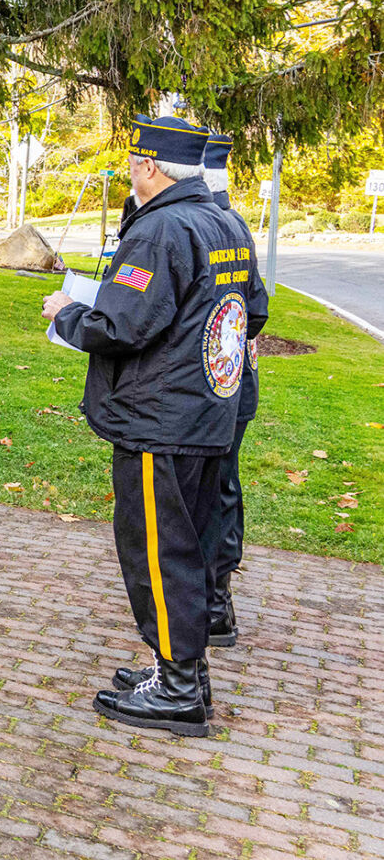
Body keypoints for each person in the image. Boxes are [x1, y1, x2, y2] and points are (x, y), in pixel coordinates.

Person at [43, 116, 260, 738]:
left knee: (158, 556)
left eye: (135, 163)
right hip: (206, 412)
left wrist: (67, 314)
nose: (132, 172)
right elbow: (254, 310)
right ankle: (182, 671)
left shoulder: (162, 228)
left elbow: (120, 325)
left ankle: (179, 687)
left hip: (159, 417)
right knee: (185, 548)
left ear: (150, 167)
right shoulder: (226, 224)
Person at [196, 133, 269, 648]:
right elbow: (257, 308)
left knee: (210, 491)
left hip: (205, 387)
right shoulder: (234, 224)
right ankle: (216, 600)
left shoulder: (202, 224)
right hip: (232, 382)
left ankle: (212, 602)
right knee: (222, 486)